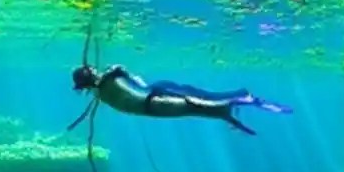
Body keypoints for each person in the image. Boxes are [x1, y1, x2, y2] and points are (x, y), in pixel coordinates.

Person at [71, 63, 291, 135]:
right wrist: (116, 71)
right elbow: (121, 75)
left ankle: (240, 101)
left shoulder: (103, 88)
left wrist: (116, 72)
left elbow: (122, 79)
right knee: (198, 103)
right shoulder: (105, 82)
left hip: (153, 103)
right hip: (153, 103)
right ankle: (238, 103)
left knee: (197, 103)